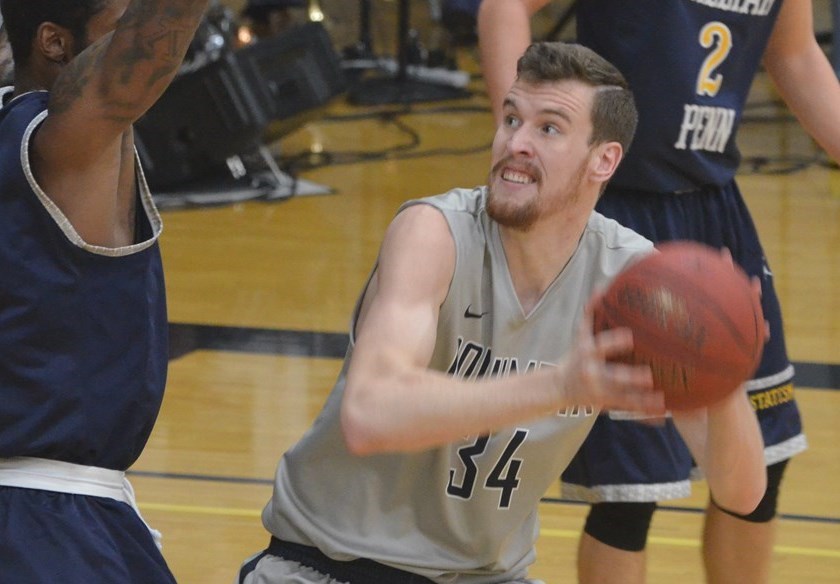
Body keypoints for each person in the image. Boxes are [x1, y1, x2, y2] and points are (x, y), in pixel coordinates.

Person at [237, 41, 766, 584]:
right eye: (511, 118)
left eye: (549, 129)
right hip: (336, 565)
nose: (515, 143)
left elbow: (742, 492)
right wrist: (559, 386)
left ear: (603, 160)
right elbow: (370, 415)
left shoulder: (634, 281)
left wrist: (723, 365)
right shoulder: (435, 234)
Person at [476, 1, 838, 583]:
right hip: (618, 207)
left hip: (714, 211)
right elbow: (505, 7)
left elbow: (793, 53)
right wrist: (529, 146)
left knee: (763, 461)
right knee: (629, 496)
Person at [0, 0, 208, 581]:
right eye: (121, 27)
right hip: (44, 525)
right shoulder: (64, 140)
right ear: (55, 43)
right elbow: (125, 77)